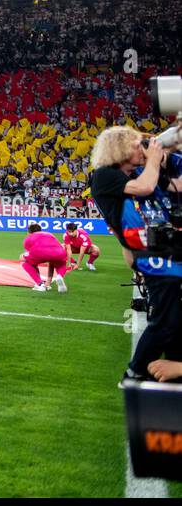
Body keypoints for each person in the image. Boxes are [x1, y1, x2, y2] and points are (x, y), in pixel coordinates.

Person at [88, 125, 182, 381]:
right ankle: (135, 372)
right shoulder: (104, 175)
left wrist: (170, 144)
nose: (141, 148)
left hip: (168, 250)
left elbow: (175, 186)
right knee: (166, 322)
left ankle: (167, 372)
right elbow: (144, 187)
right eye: (135, 144)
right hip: (153, 257)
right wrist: (153, 158)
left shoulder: (139, 170)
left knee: (174, 321)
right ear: (118, 149)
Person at [21, 223, 69, 293]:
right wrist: (49, 279)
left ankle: (40, 284)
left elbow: (29, 254)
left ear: (29, 232)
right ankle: (60, 276)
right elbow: (51, 259)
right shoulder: (49, 234)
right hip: (58, 252)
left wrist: (23, 256)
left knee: (25, 262)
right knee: (61, 263)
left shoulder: (29, 238)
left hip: (39, 253)